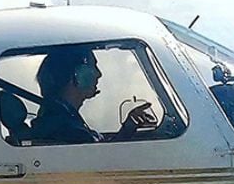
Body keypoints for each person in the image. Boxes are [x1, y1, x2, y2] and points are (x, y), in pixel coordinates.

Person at [27, 47, 158, 145]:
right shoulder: (67, 130)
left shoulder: (60, 119)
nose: (98, 74)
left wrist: (128, 128)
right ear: (78, 74)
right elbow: (104, 161)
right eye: (93, 66)